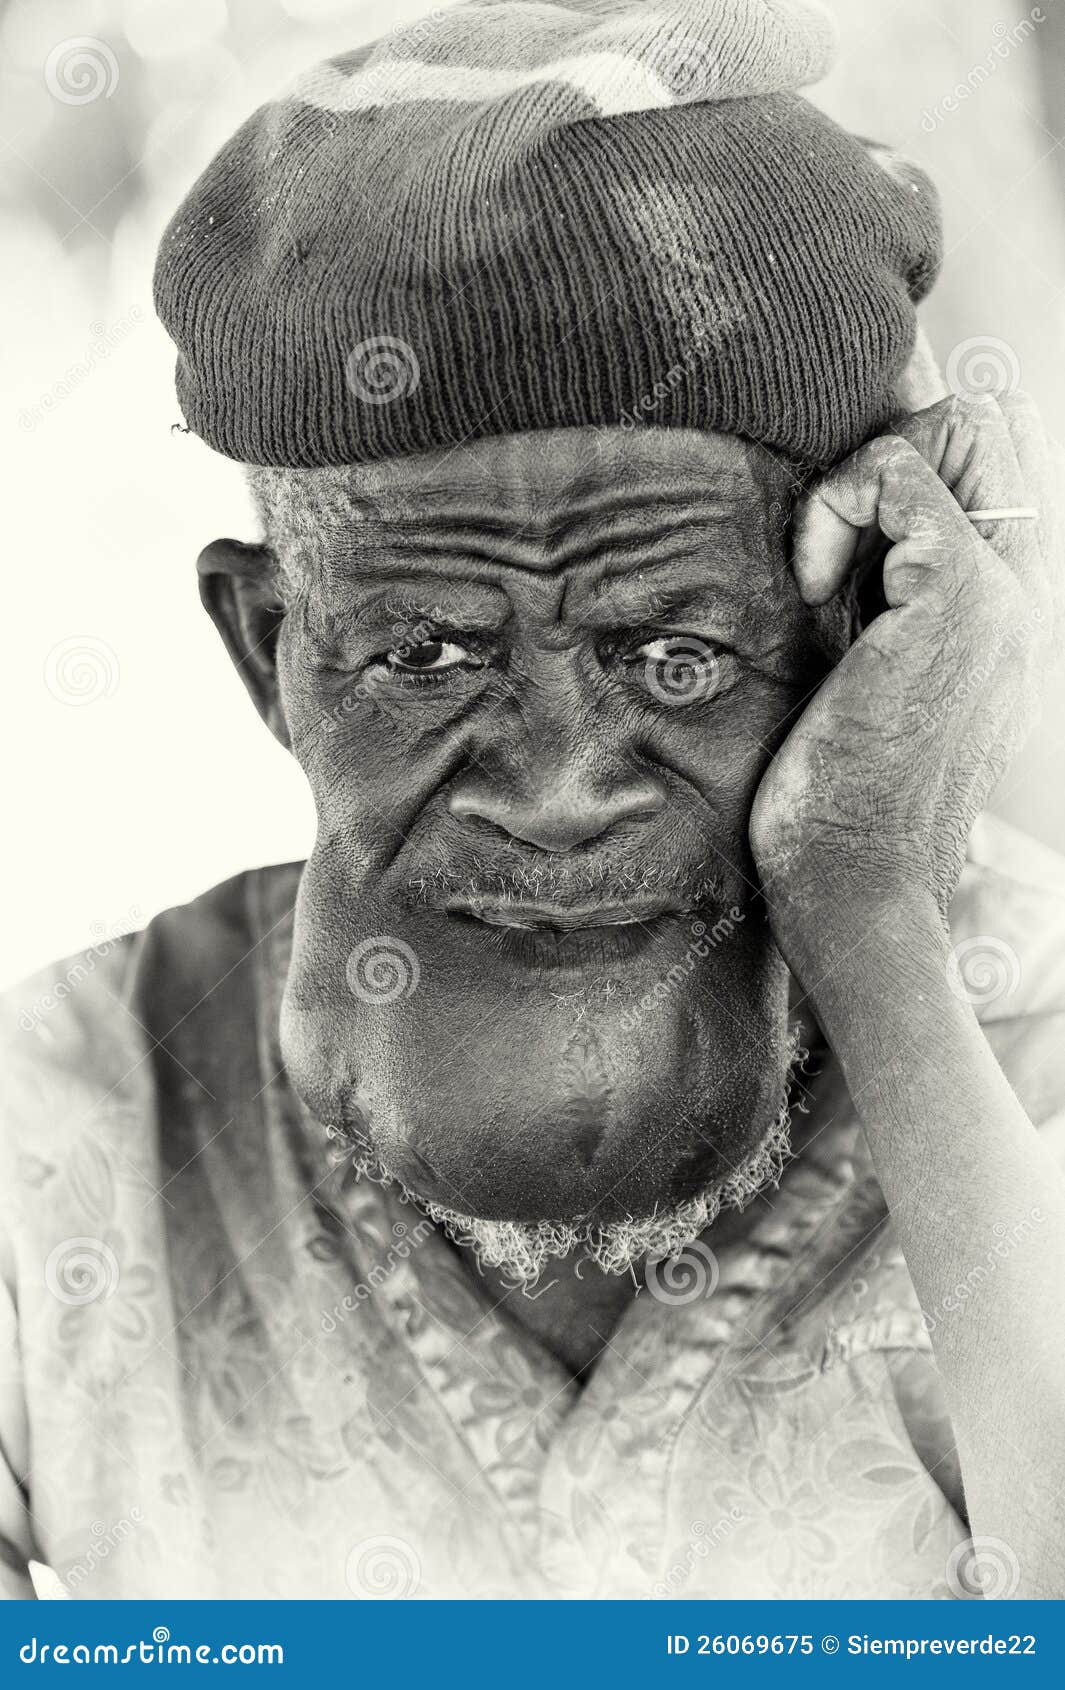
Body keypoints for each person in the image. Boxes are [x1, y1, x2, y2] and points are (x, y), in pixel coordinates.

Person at [2, 0, 1063, 1600]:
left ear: (853, 634)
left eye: (677, 653)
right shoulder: (52, 1137)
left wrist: (873, 913)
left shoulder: (1033, 1056)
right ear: (274, 650)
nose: (559, 778)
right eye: (423, 651)